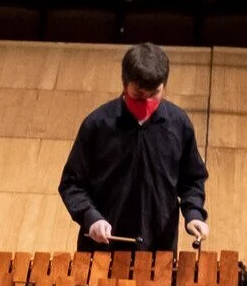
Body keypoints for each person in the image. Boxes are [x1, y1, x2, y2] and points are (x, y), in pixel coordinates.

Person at [58, 44, 210, 253]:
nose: (146, 101)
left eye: (154, 94)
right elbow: (71, 184)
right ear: (124, 82)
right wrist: (91, 217)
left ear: (164, 86)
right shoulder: (97, 125)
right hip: (102, 248)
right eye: (139, 95)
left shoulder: (178, 124)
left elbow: (192, 179)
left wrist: (193, 213)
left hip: (158, 249)